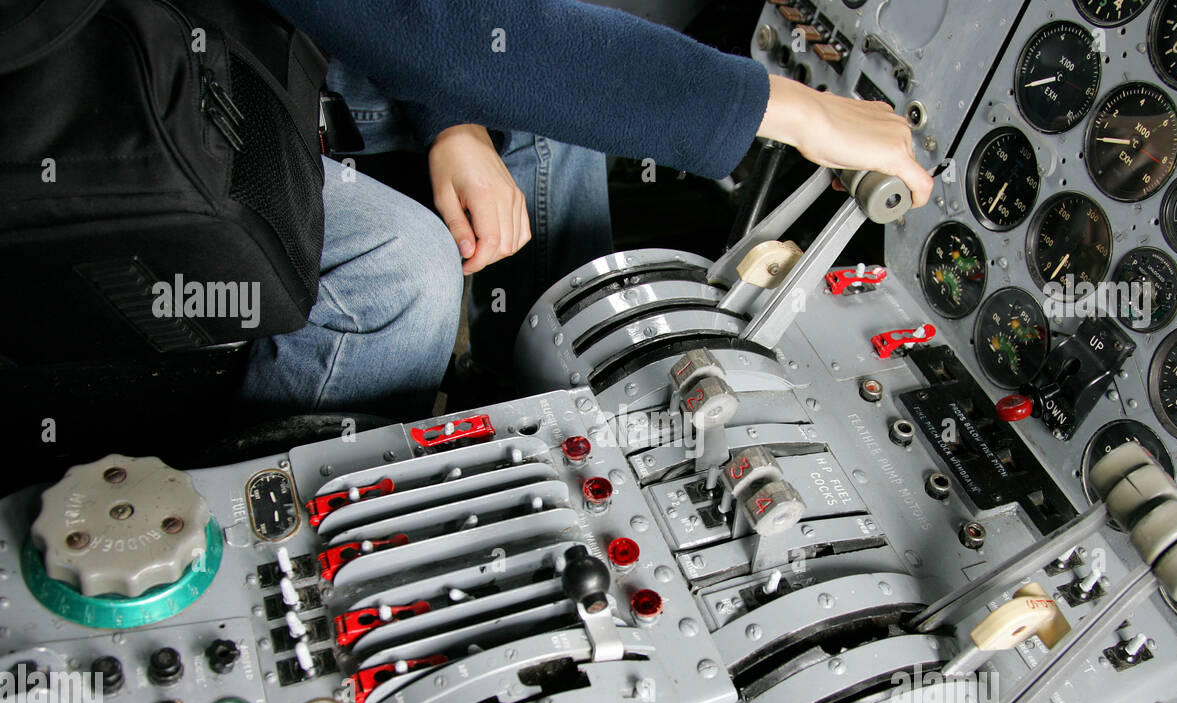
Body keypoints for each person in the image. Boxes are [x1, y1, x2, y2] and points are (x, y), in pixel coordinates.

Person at [240, 0, 934, 418]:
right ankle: (330, 479)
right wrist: (795, 110)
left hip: (271, 41)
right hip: (187, 112)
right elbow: (441, 22)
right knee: (404, 266)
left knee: (551, 126)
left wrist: (454, 122)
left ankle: (536, 394)